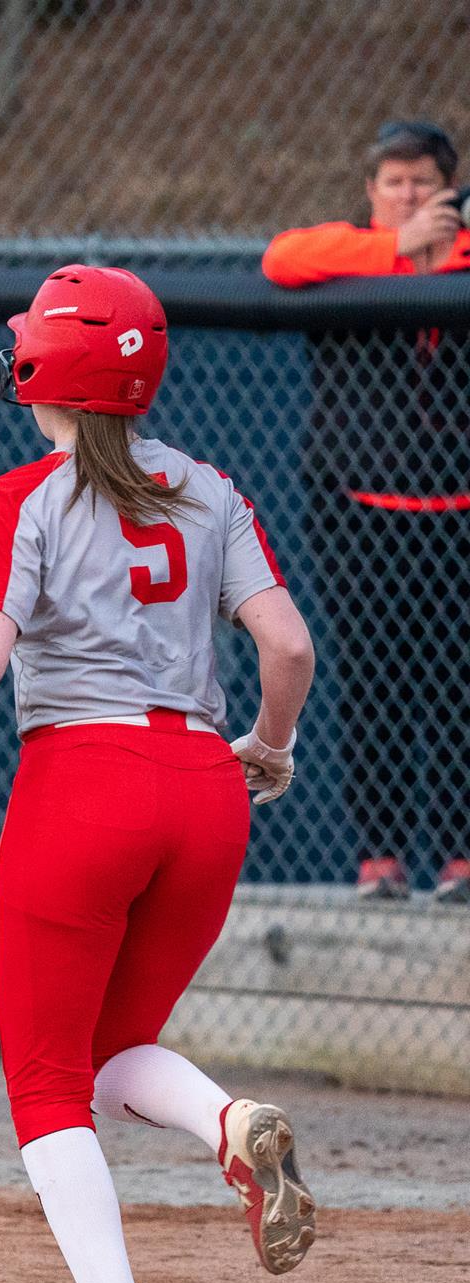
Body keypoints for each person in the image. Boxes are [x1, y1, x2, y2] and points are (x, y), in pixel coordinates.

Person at [0, 266, 320, 1283]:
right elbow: (288, 649)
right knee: (112, 1051)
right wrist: (266, 745)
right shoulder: (205, 487)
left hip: (85, 780)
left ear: (36, 368)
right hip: (204, 787)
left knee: (46, 1080)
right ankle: (226, 1119)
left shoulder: (21, 496)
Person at [264, 120, 470, 901]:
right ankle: (379, 858)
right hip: (358, 507)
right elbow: (279, 259)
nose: (408, 194)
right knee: (377, 678)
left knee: (456, 682)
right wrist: (396, 245)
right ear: (372, 192)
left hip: (457, 508)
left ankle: (458, 860)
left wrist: (437, 243)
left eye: (422, 180)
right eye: (393, 182)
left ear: (446, 186)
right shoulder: (348, 253)